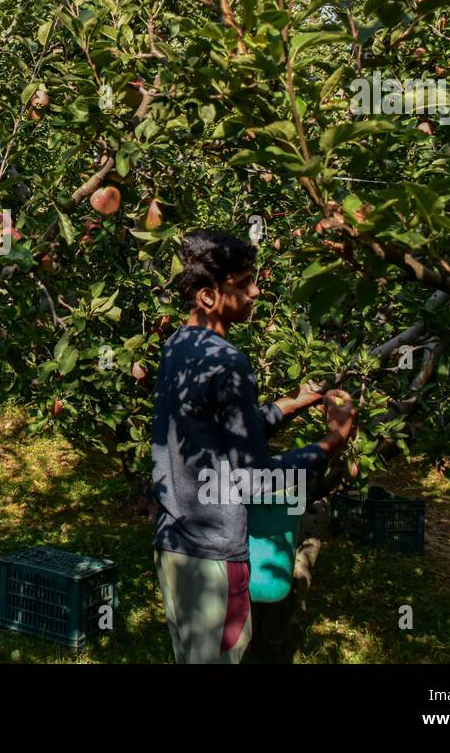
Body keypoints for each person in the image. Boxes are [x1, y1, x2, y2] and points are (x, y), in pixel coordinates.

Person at [149, 229, 356, 663]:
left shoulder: (178, 347)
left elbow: (221, 432)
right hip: (215, 555)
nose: (256, 291)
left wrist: (295, 402)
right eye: (243, 284)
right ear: (208, 296)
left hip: (173, 543)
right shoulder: (230, 362)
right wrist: (334, 440)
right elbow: (254, 480)